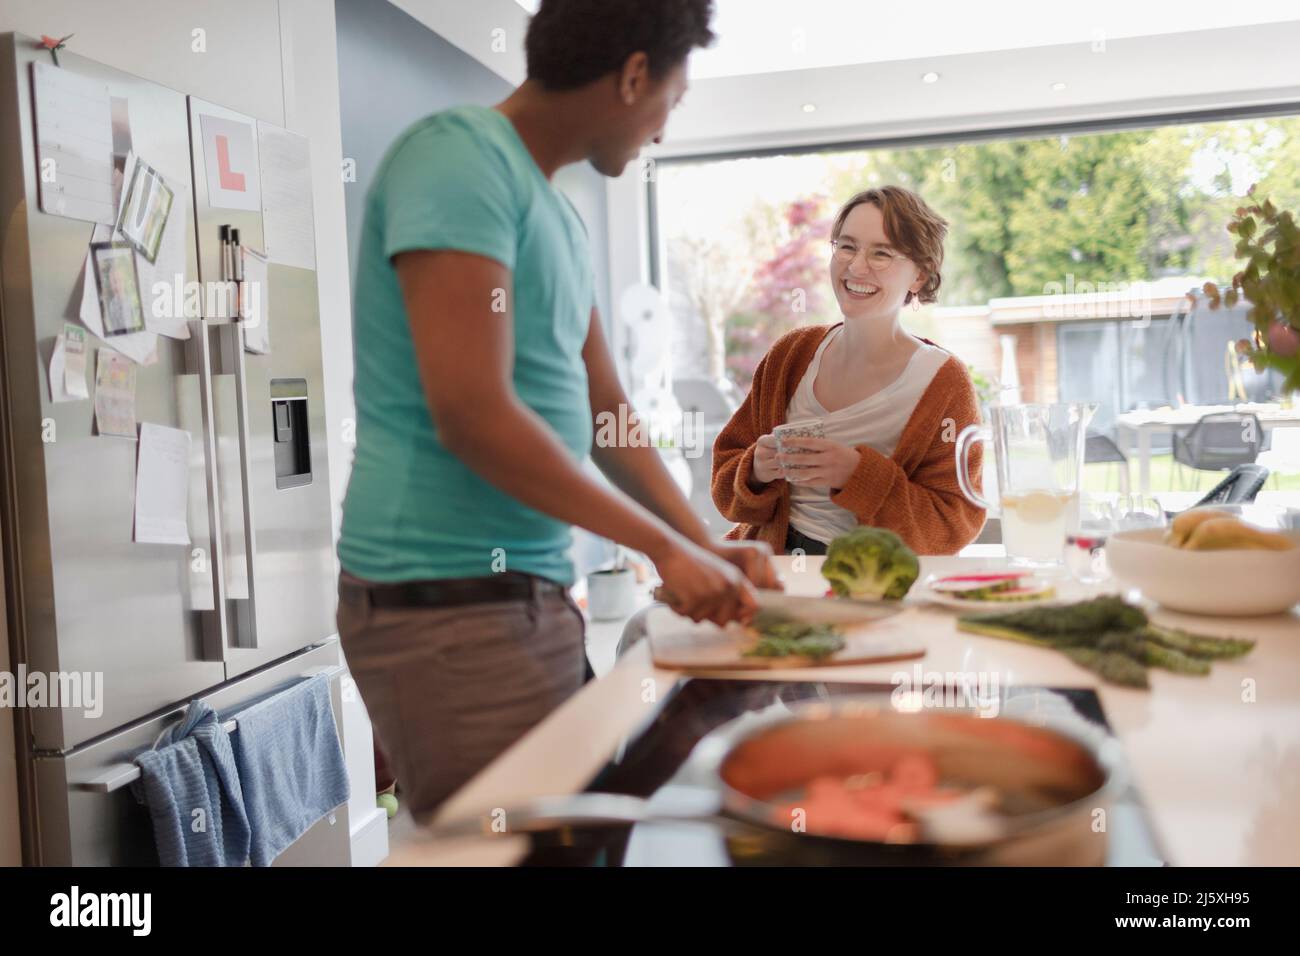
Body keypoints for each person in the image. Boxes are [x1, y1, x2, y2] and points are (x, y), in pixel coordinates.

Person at [335, 0, 776, 822]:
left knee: (584, 837)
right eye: (670, 104)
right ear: (634, 74)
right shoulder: (459, 162)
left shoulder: (561, 221)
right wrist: (660, 550)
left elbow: (607, 414)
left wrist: (700, 541)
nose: (662, 131)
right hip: (443, 607)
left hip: (524, 600)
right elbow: (472, 414)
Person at [712, 186, 985, 556]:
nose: (856, 266)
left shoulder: (944, 383)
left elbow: (954, 524)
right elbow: (727, 487)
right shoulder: (790, 356)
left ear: (919, 276)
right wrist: (755, 471)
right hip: (776, 572)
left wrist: (858, 476)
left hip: (874, 582)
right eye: (846, 246)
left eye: (882, 253)